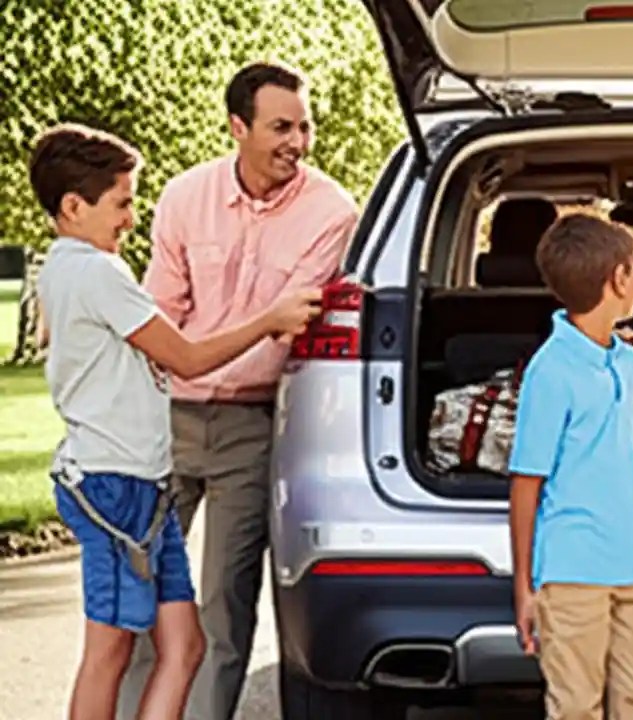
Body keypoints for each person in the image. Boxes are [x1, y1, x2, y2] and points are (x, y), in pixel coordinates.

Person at [28, 123, 320, 720]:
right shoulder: (95, 273)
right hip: (113, 488)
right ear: (73, 207)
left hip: (143, 485)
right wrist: (269, 320)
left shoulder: (66, 268)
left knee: (184, 646)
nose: (132, 218)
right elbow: (185, 358)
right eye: (122, 202)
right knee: (108, 651)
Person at [116, 61, 359, 720]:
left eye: (305, 127)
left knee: (224, 602)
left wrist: (198, 351)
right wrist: (188, 360)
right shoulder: (184, 197)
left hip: (251, 426)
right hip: (163, 420)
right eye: (281, 126)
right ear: (237, 127)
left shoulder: (332, 213)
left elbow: (288, 329)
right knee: (138, 594)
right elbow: (158, 310)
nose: (298, 142)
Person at [508, 214, 633, 720]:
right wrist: (524, 587)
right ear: (620, 280)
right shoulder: (550, 370)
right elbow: (526, 483)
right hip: (570, 573)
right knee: (577, 705)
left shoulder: (627, 359)